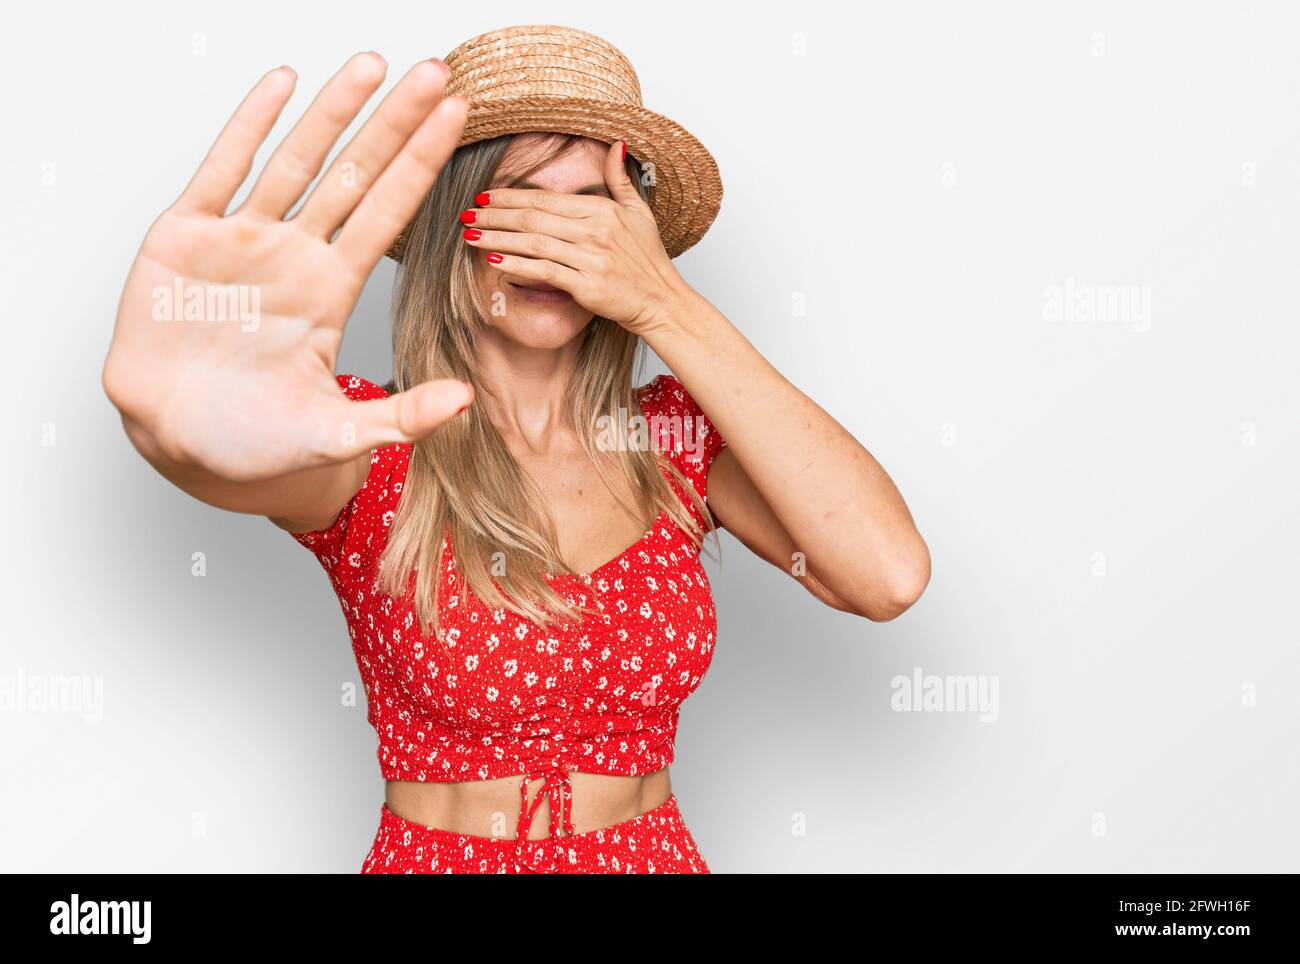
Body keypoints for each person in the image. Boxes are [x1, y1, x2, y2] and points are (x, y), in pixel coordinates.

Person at [102, 24, 930, 873]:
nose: (557, 244)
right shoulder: (374, 437)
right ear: (447, 225)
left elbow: (886, 574)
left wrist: (666, 307)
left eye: (591, 211)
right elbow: (242, 454)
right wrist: (177, 426)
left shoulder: (674, 440)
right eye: (522, 200)